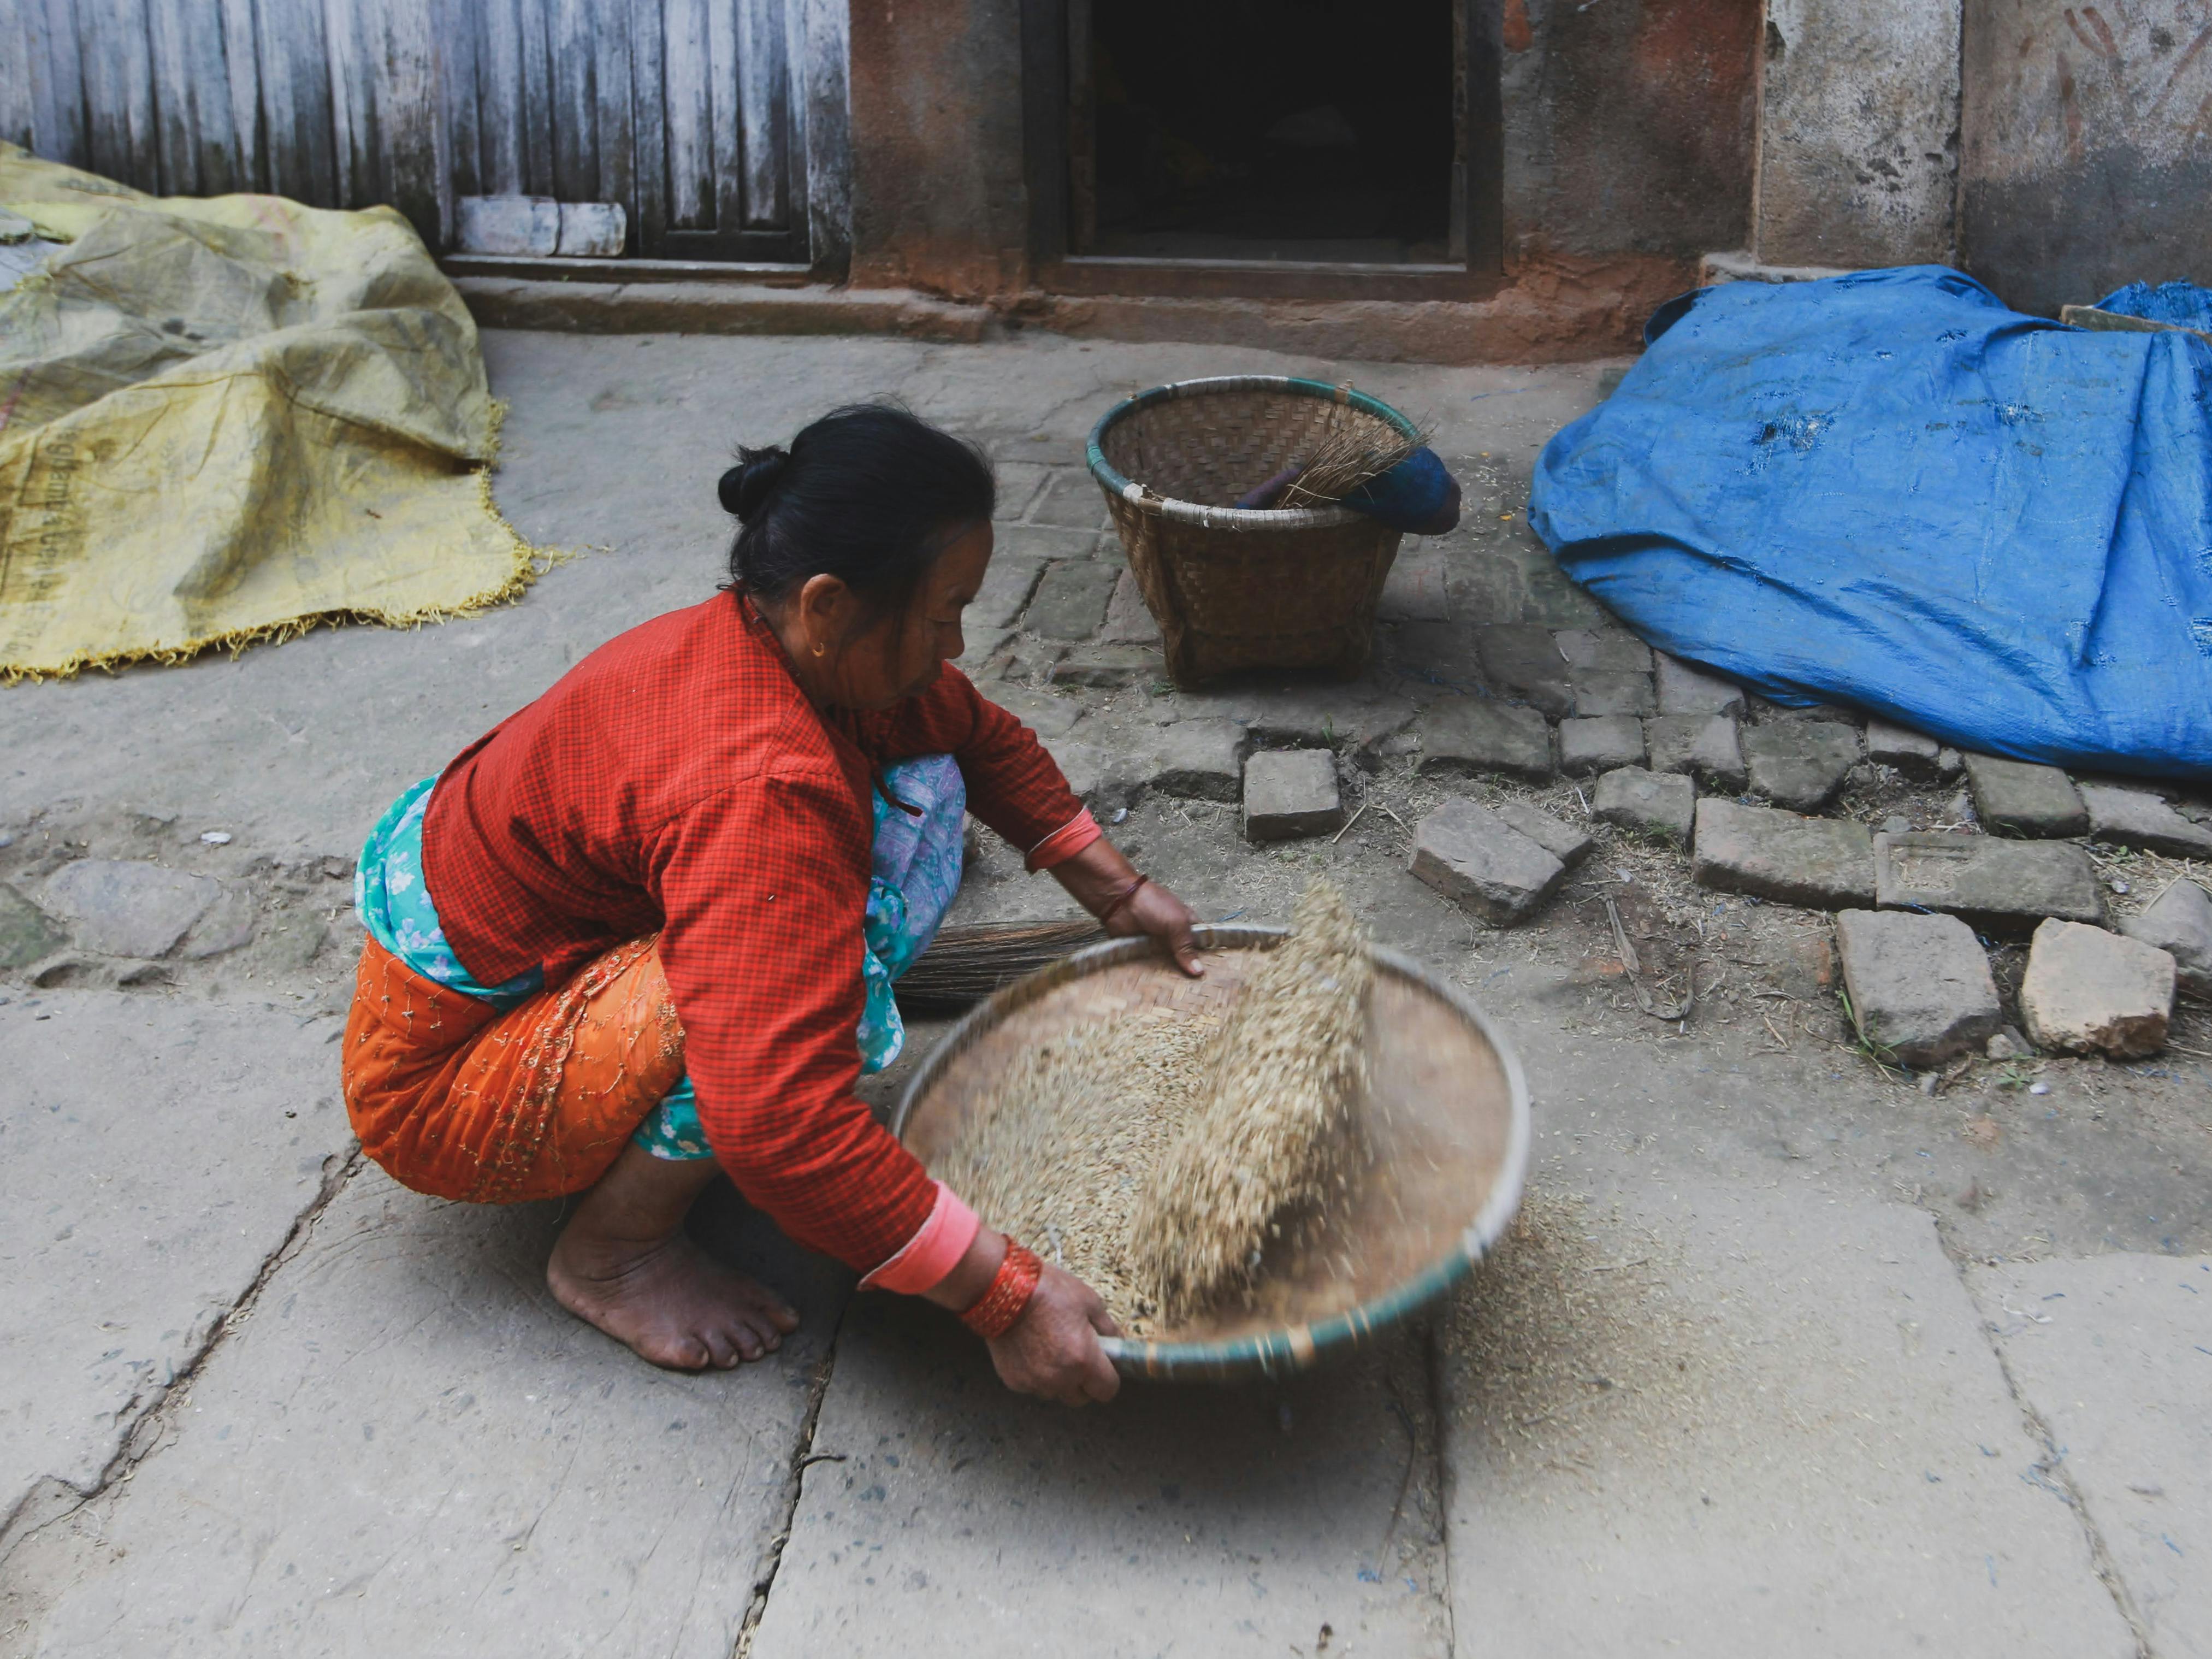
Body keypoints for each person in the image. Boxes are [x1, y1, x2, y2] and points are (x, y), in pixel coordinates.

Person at [341, 404, 1202, 1406]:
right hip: (443, 1080)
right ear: (830, 605)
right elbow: (778, 1123)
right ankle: (612, 1251)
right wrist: (1006, 1296)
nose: (956, 641)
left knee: (918, 787)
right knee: (807, 997)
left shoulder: (769, 636)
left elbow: (974, 729)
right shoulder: (763, 784)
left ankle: (693, 1052)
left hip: (510, 942)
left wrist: (1120, 893)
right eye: (940, 614)